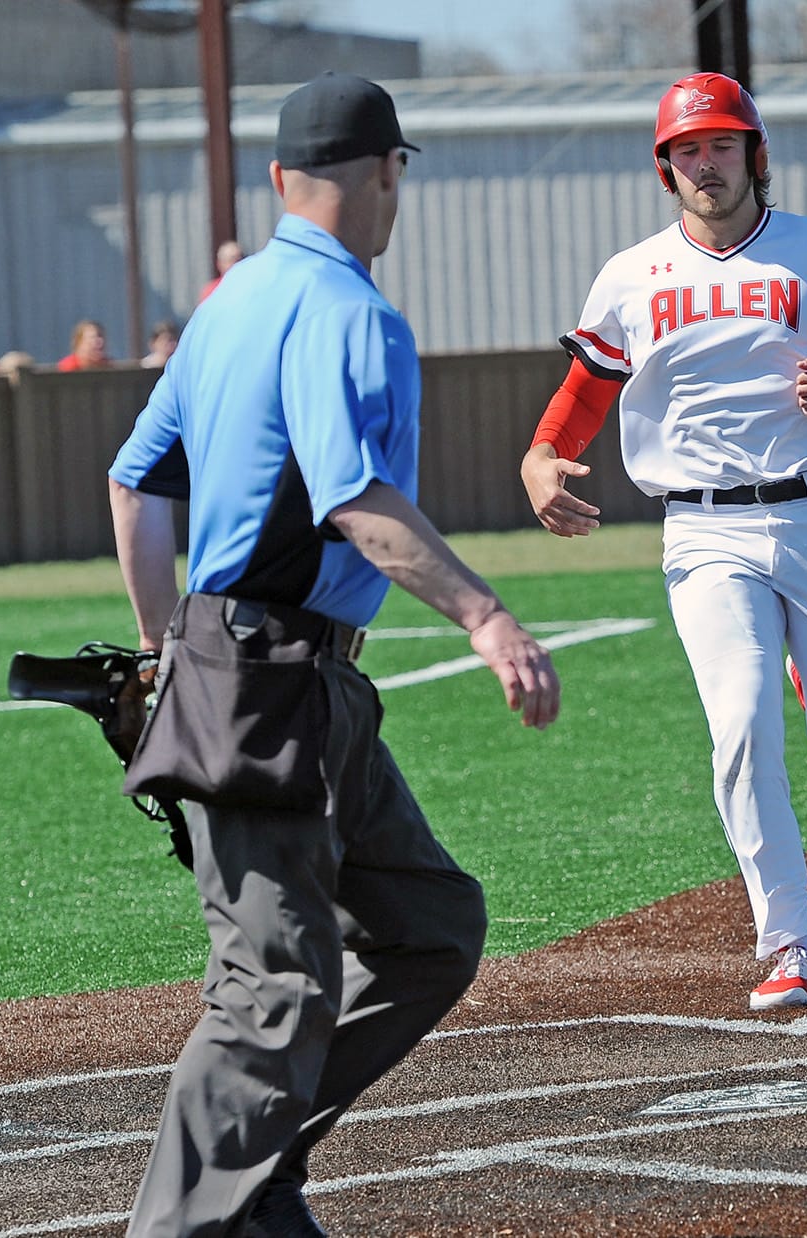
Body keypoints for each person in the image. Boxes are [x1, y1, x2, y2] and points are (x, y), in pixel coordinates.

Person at [107, 70, 561, 1235]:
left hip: (285, 681)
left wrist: (166, 646)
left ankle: (256, 1180)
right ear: (387, 173)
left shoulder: (233, 296)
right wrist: (485, 613)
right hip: (270, 681)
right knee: (271, 990)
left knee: (428, 926)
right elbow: (354, 496)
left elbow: (136, 481)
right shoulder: (351, 310)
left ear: (278, 179)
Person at [520, 71, 807, 1012]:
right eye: (688, 149)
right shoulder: (632, 272)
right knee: (738, 725)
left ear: (755, 155)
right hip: (702, 530)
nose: (706, 162)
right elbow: (587, 388)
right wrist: (542, 456)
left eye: (722, 144)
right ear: (667, 167)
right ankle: (792, 944)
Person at [198, 238, 245, 303]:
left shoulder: (250, 286)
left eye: (239, 260)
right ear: (220, 264)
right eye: (231, 260)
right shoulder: (212, 291)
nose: (235, 264)